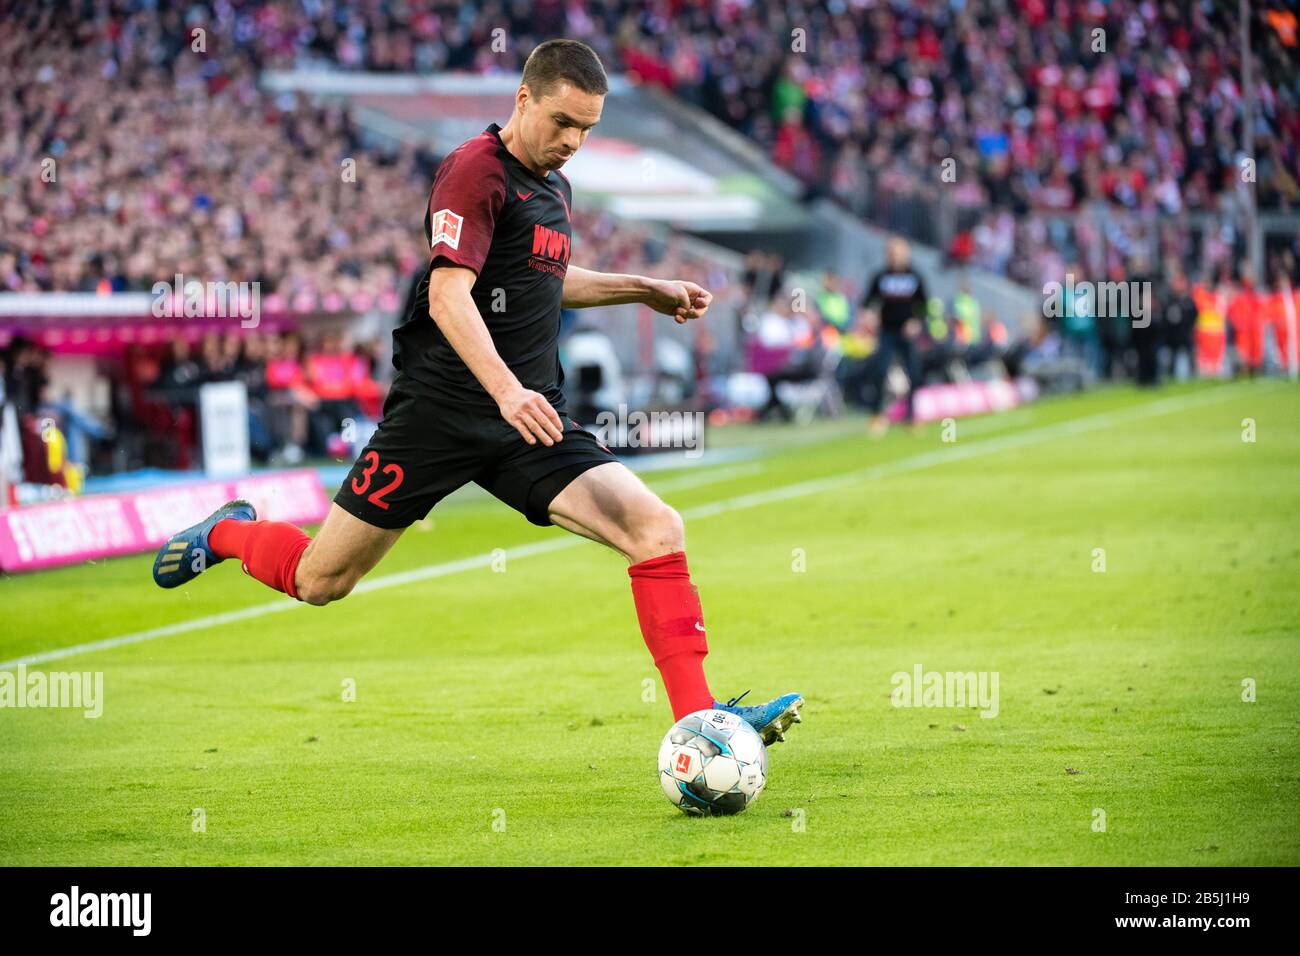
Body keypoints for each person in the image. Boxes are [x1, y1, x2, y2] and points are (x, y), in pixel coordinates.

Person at [150, 39, 803, 747]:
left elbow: (547, 279)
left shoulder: (556, 186)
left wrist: (644, 289)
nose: (573, 142)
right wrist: (505, 391)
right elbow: (447, 293)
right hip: (441, 416)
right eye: (562, 123)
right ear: (523, 99)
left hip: (527, 421)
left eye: (587, 128)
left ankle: (700, 723)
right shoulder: (473, 172)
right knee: (320, 581)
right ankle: (227, 531)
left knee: (656, 529)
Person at [860, 237, 927, 436]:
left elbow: (924, 305)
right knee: (880, 371)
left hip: (907, 333)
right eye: (891, 251)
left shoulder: (915, 276)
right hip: (887, 331)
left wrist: (916, 321)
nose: (894, 255)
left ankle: (911, 417)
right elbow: (867, 303)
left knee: (914, 374)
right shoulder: (880, 277)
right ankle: (878, 415)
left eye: (898, 251)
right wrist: (869, 316)